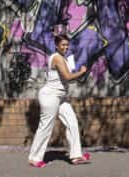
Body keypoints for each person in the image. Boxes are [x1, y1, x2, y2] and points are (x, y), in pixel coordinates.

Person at [28, 34, 91, 167]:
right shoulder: (57, 58)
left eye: (67, 45)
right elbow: (68, 77)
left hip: (61, 97)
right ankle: (34, 158)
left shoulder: (64, 58)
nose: (65, 47)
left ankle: (76, 156)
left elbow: (65, 76)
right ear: (56, 45)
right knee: (45, 127)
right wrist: (82, 71)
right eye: (63, 45)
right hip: (50, 96)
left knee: (72, 123)